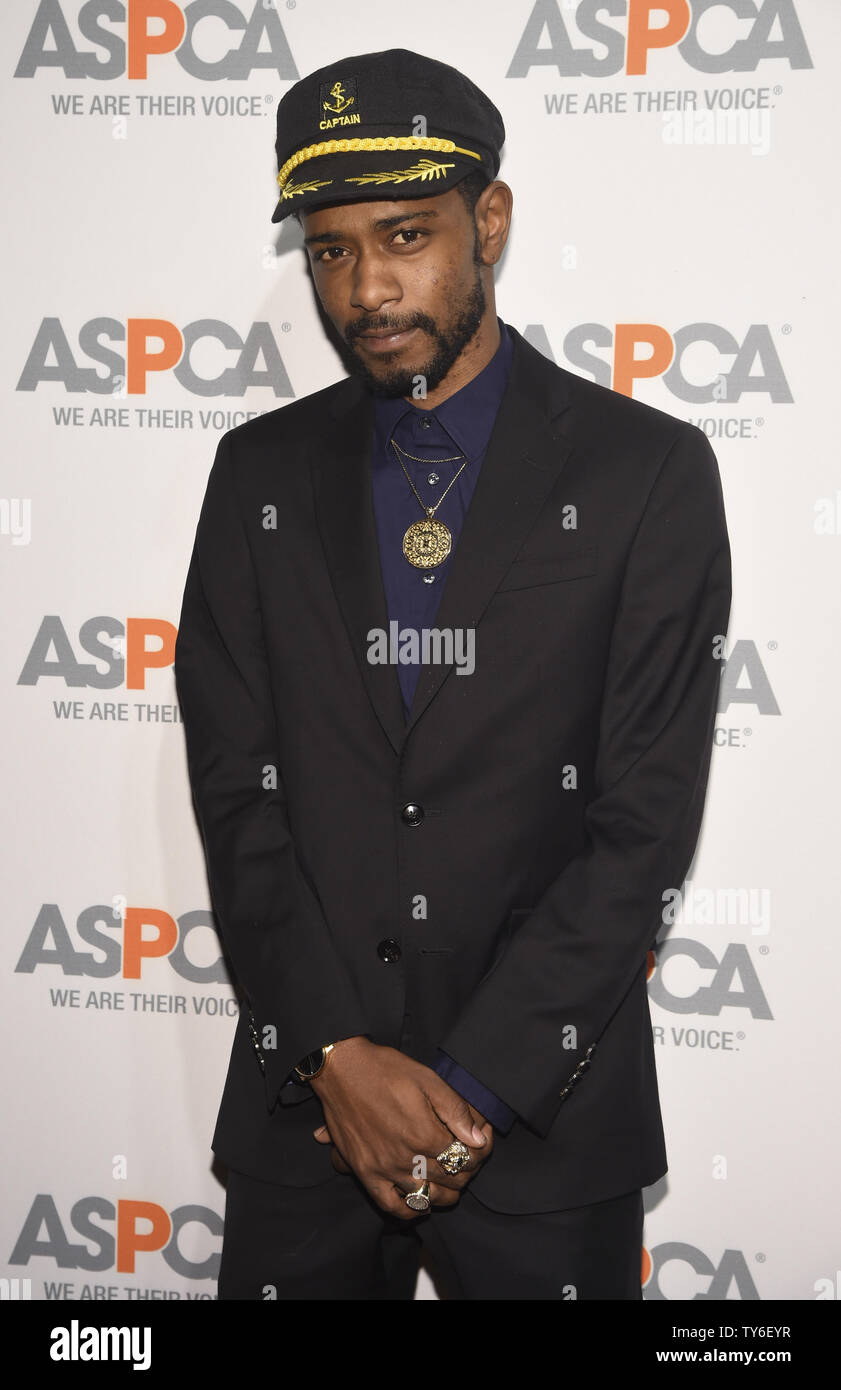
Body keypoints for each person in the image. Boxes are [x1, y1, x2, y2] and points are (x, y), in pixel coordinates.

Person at [173, 47, 732, 1301]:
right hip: (302, 1119)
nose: (368, 287)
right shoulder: (255, 475)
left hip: (545, 1120)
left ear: (490, 222)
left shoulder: (647, 472)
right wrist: (334, 1055)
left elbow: (639, 826)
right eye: (330, 249)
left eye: (406, 234)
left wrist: (466, 1093)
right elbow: (234, 796)